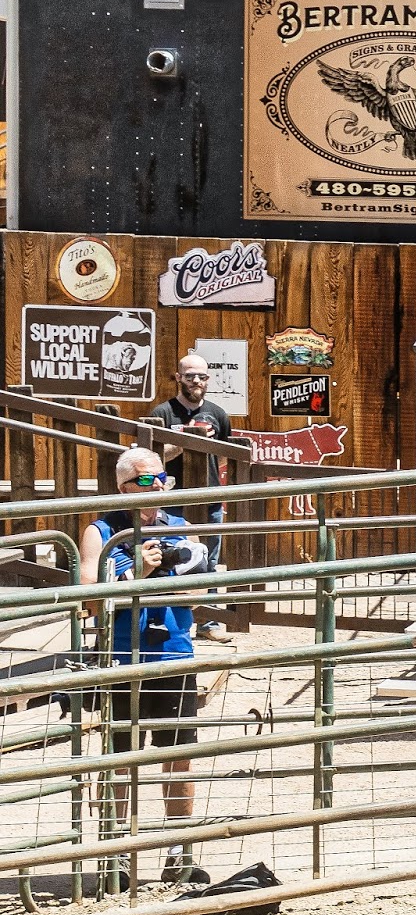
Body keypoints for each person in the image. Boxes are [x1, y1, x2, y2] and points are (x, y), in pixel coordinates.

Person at [79, 447, 212, 886]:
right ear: (122, 488)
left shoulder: (180, 529)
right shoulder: (101, 533)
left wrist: (173, 575)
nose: (158, 487)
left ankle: (179, 853)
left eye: (163, 480)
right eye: (146, 480)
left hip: (173, 656)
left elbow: (200, 595)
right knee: (119, 760)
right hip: (121, 659)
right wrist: (133, 574)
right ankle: (116, 856)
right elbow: (88, 602)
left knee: (179, 759)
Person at [148, 350, 233, 644]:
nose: (196, 381)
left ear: (208, 380)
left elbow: (224, 459)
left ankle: (209, 621)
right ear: (178, 378)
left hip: (209, 499)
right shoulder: (162, 413)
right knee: (170, 559)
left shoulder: (218, 414)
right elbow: (152, 458)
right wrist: (184, 442)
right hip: (172, 501)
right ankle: (170, 619)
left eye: (201, 376)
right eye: (189, 375)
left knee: (209, 560)